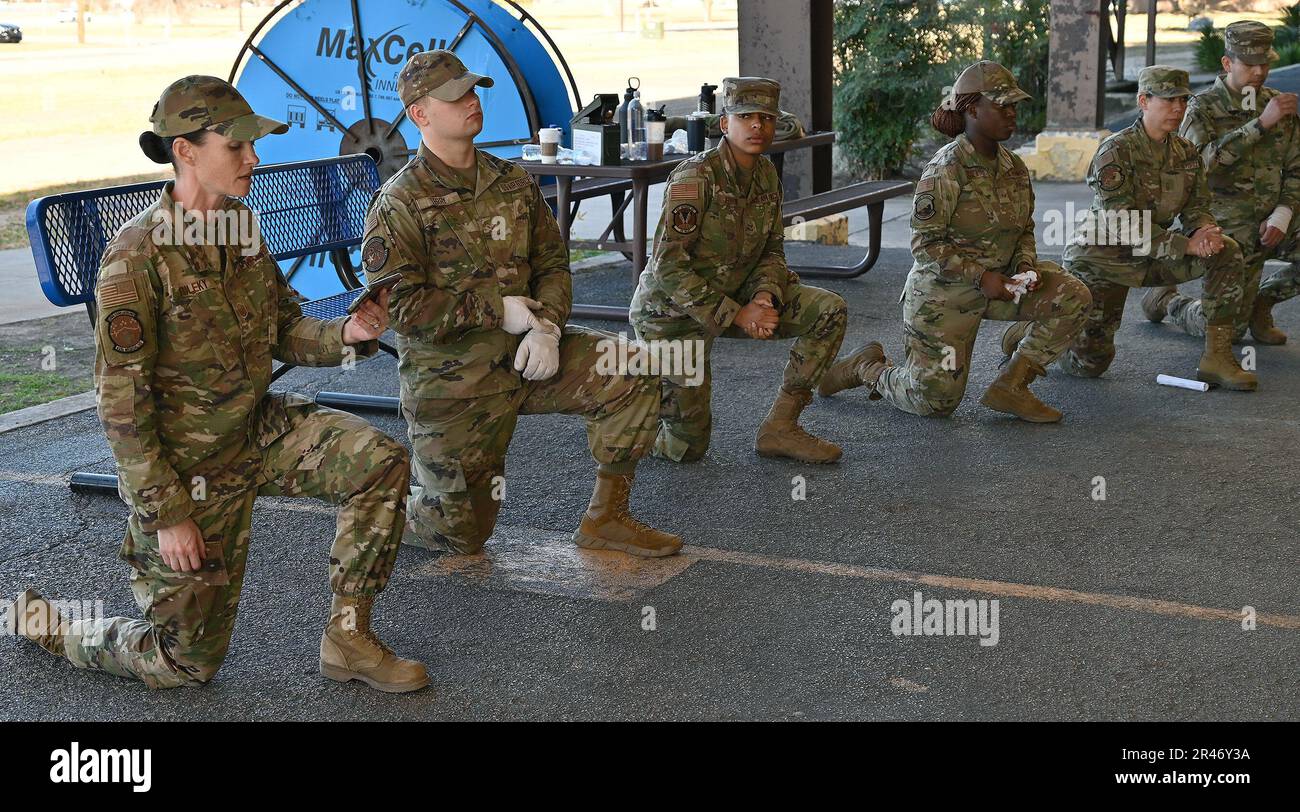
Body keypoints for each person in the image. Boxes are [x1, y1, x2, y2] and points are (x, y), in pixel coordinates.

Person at [4, 76, 428, 692]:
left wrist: (347, 335)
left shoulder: (241, 226)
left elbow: (285, 328)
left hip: (256, 427)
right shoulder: (137, 256)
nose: (253, 158)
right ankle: (48, 622)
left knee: (380, 463)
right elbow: (121, 404)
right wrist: (168, 513)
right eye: (237, 147)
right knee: (182, 664)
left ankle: (348, 637)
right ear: (186, 151)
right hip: (186, 463)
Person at [361, 51, 680, 558]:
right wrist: (495, 310)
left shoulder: (512, 182)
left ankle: (607, 517)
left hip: (529, 357)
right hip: (454, 382)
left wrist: (548, 327)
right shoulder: (399, 202)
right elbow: (397, 306)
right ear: (420, 114)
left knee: (634, 365)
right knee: (462, 536)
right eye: (456, 96)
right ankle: (392, 504)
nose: (472, 101)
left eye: (473, 90)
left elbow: (554, 264)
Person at [820, 61, 1090, 422]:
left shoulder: (1014, 167)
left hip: (1004, 284)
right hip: (944, 294)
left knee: (1072, 296)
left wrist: (1025, 267)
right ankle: (868, 368)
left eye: (1014, 106)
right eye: (1002, 105)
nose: (1012, 114)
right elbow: (926, 244)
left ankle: (1013, 385)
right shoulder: (947, 168)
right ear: (973, 109)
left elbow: (1024, 228)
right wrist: (982, 277)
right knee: (935, 403)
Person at [631, 76, 855, 463]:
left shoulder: (766, 174)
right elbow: (669, 267)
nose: (757, 126)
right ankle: (630, 408)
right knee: (687, 448)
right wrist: (740, 314)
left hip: (738, 296)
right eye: (746, 116)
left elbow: (771, 249)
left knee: (828, 310)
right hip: (673, 315)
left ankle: (781, 427)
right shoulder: (693, 179)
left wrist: (765, 296)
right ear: (724, 124)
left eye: (766, 118)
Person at [1050, 65, 1256, 391]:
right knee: (1088, 365)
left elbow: (1197, 208)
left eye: (1183, 100)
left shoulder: (1186, 152)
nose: (1178, 108)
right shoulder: (1115, 151)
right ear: (1143, 101)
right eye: (1168, 100)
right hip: (1103, 259)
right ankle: (1038, 332)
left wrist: (1205, 233)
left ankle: (1216, 358)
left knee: (1225, 250)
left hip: (1154, 253)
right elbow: (1120, 222)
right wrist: (1184, 246)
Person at [1147, 21, 1300, 345]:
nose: (1259, 71)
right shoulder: (1201, 107)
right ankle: (1168, 301)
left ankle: (1261, 303)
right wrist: (1260, 124)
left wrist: (1284, 213)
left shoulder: (1280, 105)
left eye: (1265, 62)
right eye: (1250, 64)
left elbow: (1296, 168)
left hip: (1274, 217)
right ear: (1228, 63)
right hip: (1225, 225)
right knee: (1225, 333)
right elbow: (1200, 166)